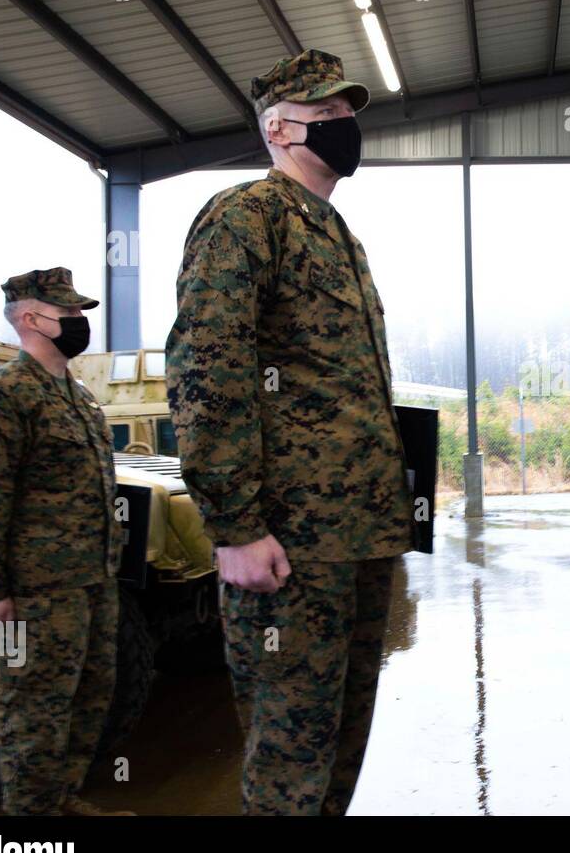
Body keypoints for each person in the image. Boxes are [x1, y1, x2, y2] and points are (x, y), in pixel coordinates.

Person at [166, 49, 414, 814]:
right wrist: (235, 526)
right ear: (278, 127)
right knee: (289, 758)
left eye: (349, 115)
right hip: (291, 544)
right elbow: (207, 368)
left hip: (359, 537)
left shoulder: (336, 234)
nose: (346, 128)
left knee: (340, 746)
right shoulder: (245, 216)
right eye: (329, 115)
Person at [0, 268, 129, 816]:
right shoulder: (6, 396)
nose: (79, 323)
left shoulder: (79, 396)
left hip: (91, 582)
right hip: (38, 592)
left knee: (89, 702)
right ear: (30, 318)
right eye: (68, 314)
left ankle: (61, 802)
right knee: (36, 717)